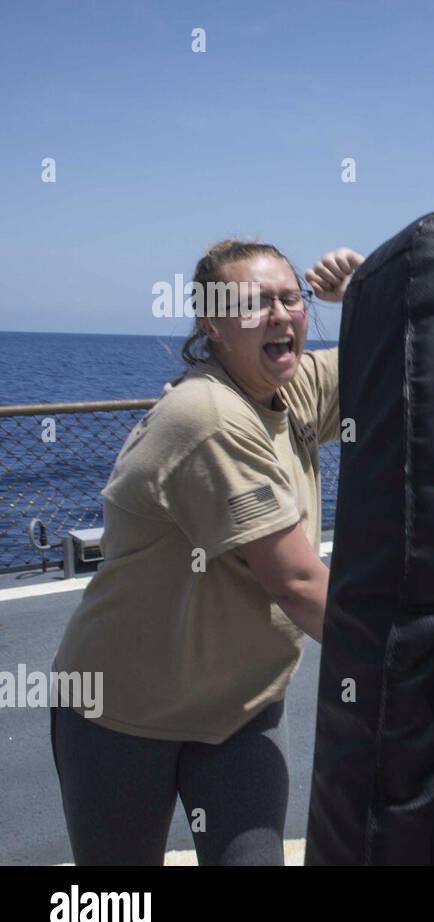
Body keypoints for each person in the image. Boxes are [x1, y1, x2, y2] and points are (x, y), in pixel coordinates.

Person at [49, 241, 364, 865]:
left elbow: (399, 358)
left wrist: (365, 296)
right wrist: (423, 662)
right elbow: (299, 584)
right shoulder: (207, 418)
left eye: (290, 298)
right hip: (124, 715)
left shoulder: (288, 389)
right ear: (212, 326)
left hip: (239, 712)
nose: (280, 314)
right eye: (253, 304)